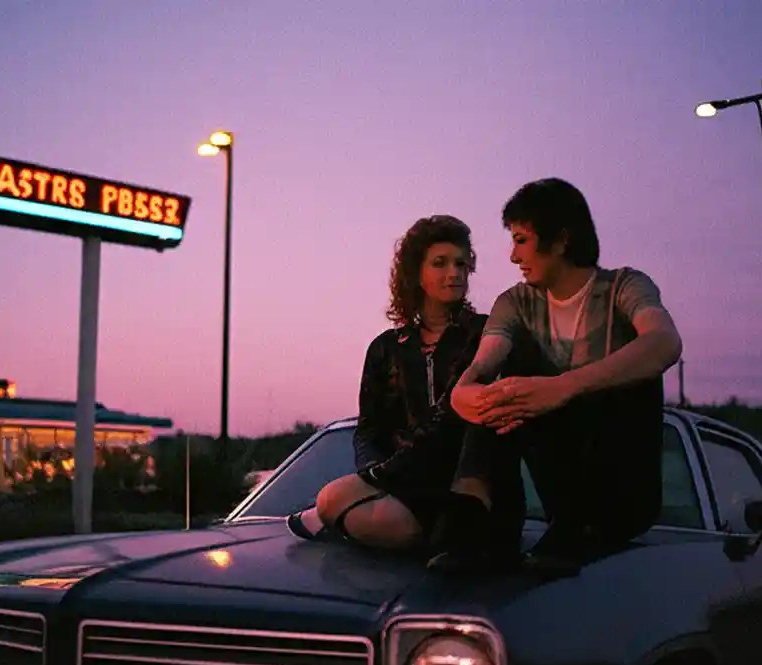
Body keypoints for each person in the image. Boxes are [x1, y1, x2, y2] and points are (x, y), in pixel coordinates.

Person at [428, 178, 683, 569]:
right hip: (560, 485)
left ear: (561, 240)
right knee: (506, 381)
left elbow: (665, 342)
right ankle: (476, 518)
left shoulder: (624, 286)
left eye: (521, 240)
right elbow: (485, 363)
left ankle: (583, 526)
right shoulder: (516, 302)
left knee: (632, 361)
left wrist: (562, 388)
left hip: (622, 494)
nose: (513, 256)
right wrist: (466, 391)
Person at [286, 215, 490, 550]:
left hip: (461, 481)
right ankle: (354, 518)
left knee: (333, 501)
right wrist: (374, 473)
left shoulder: (484, 333)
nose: (454, 273)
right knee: (334, 500)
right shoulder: (385, 348)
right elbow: (368, 429)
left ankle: (340, 520)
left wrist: (378, 479)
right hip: (402, 491)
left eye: (461, 264)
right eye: (440, 263)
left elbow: (452, 424)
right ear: (415, 273)